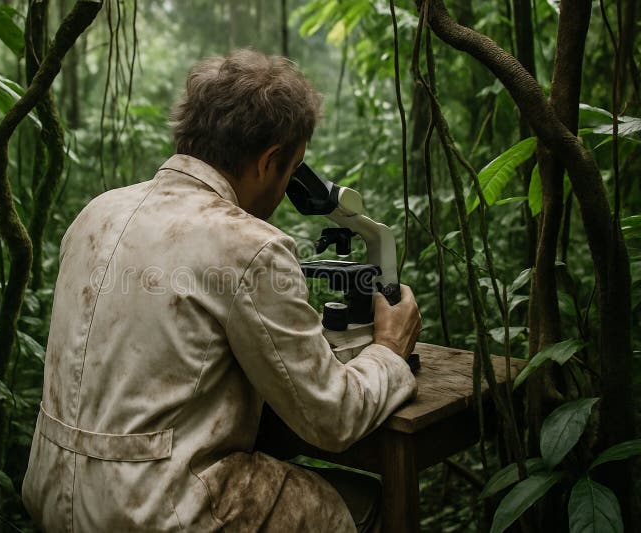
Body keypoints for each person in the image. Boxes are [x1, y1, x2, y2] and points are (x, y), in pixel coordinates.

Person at [22, 49, 421, 532]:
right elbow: (331, 417)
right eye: (291, 169)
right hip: (154, 514)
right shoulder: (248, 243)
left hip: (51, 493)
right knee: (366, 503)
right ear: (270, 161)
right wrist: (389, 352)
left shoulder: (95, 214)